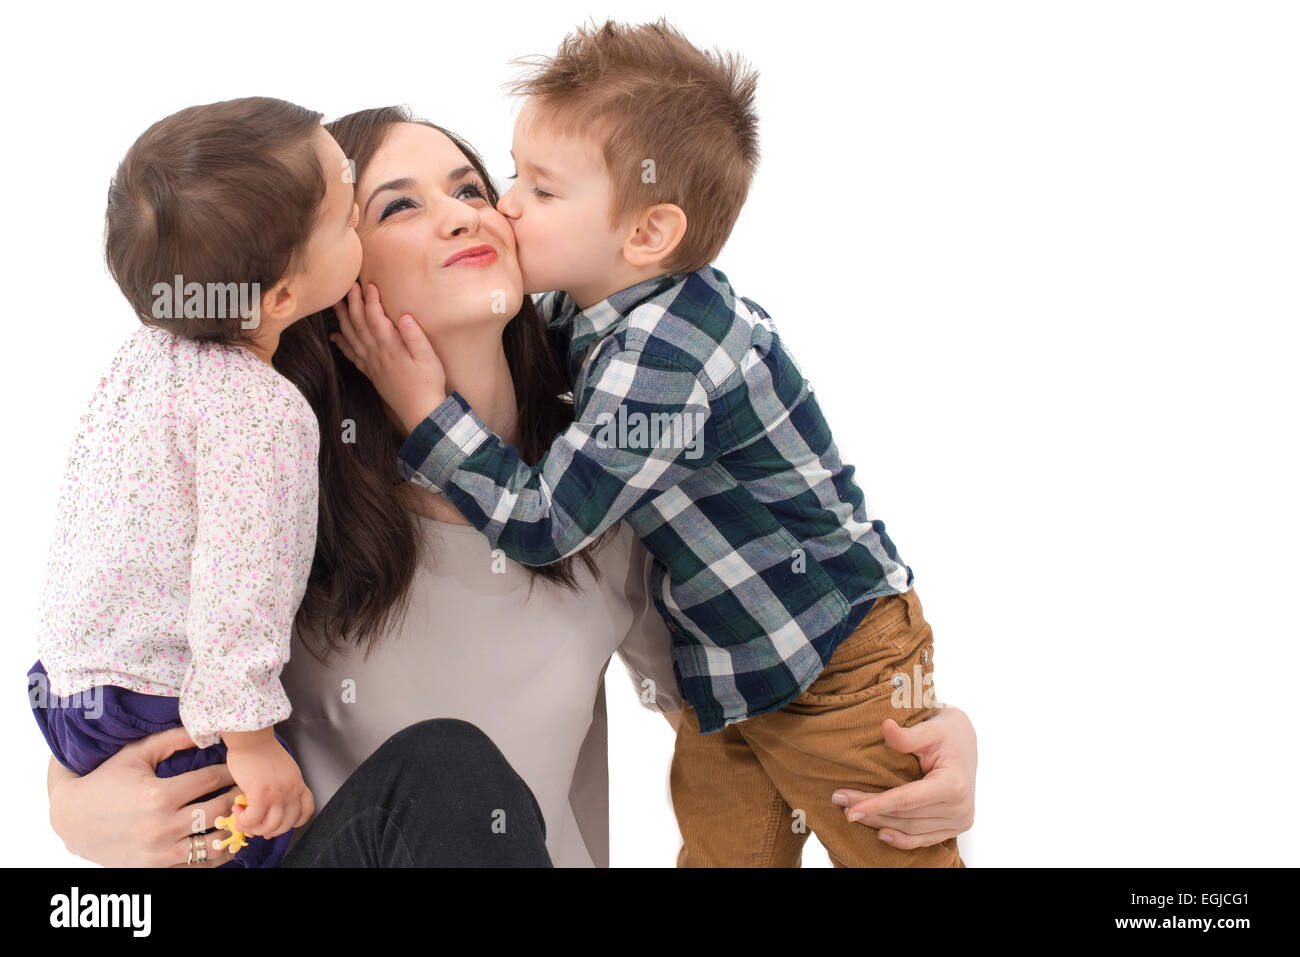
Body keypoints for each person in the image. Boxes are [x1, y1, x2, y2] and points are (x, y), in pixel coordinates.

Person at [44, 104, 979, 868]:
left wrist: (929, 725)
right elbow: (111, 651)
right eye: (398, 207)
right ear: (319, 275)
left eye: (473, 189)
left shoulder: (607, 489)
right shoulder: (285, 483)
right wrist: (71, 809)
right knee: (451, 769)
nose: (464, 213)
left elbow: (761, 687)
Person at [337, 19, 965, 867]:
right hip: (740, 669)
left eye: (525, 189)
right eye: (404, 203)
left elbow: (548, 520)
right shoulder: (592, 321)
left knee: (897, 849)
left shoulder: (663, 364)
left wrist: (931, 714)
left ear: (645, 235)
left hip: (834, 659)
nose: (496, 208)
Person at [28, 96, 363, 867]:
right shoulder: (262, 412)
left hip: (73, 687)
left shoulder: (148, 350)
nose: (360, 230)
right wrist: (251, 742)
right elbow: (237, 586)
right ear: (279, 299)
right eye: (348, 221)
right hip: (170, 713)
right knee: (248, 838)